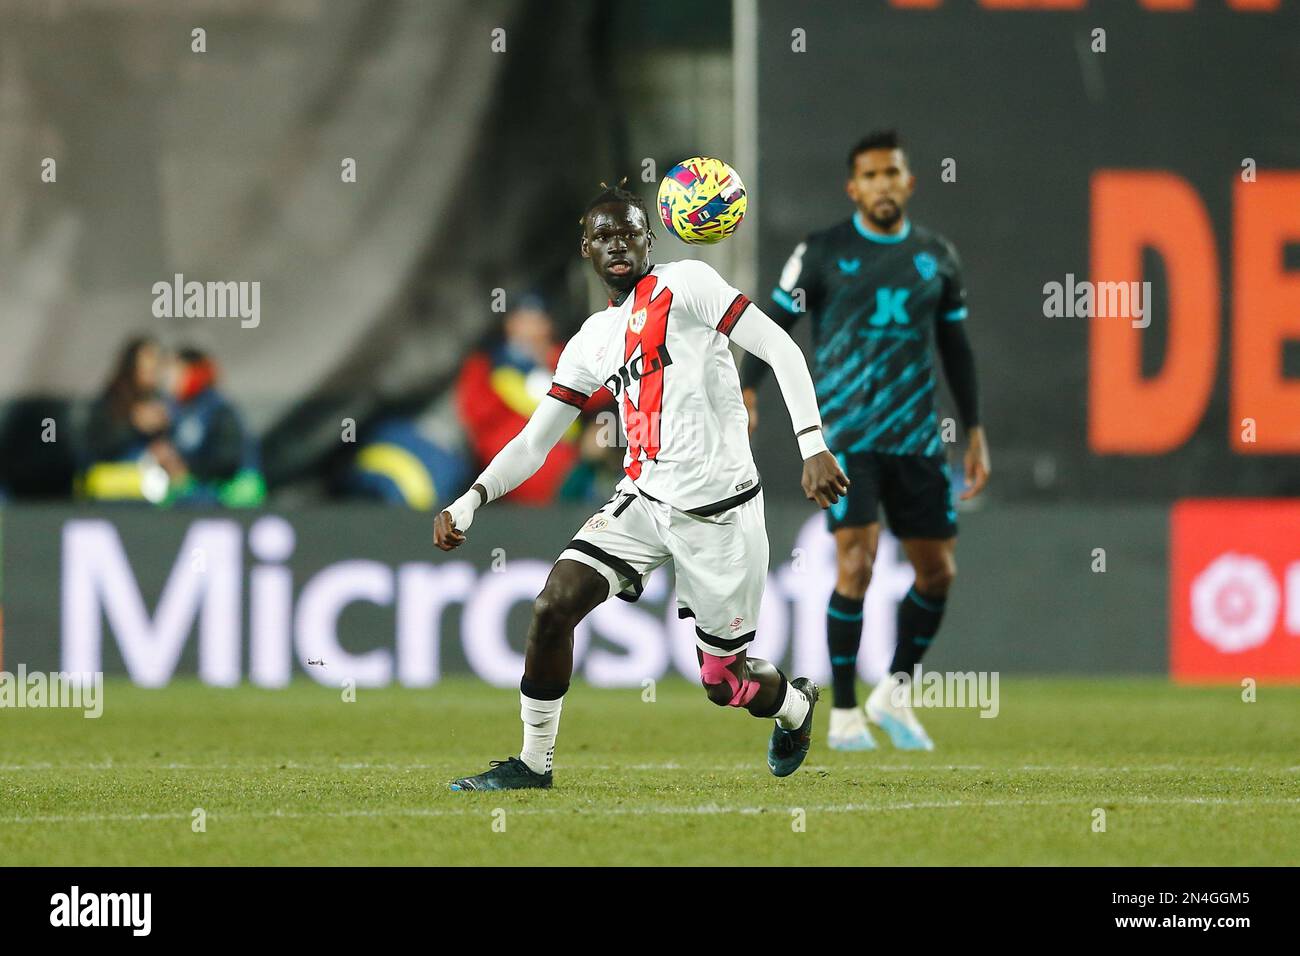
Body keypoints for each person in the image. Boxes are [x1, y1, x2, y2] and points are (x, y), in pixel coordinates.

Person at [435, 183, 849, 791]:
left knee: (724, 683)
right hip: (644, 500)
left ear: (648, 238)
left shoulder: (690, 284)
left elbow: (779, 346)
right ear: (587, 249)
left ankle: (794, 706)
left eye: (629, 232)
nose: (617, 244)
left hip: (720, 512)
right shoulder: (590, 341)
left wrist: (812, 443)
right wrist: (471, 497)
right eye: (604, 236)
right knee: (553, 608)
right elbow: (534, 443)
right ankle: (532, 764)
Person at [741, 130, 990, 752]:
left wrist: (975, 428)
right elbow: (774, 325)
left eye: (892, 173)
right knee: (857, 564)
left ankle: (895, 693)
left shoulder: (937, 256)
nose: (882, 184)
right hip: (848, 435)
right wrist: (748, 388)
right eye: (870, 176)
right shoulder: (821, 252)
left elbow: (956, 349)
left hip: (917, 440)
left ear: (909, 182)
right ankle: (846, 711)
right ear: (854, 187)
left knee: (938, 573)